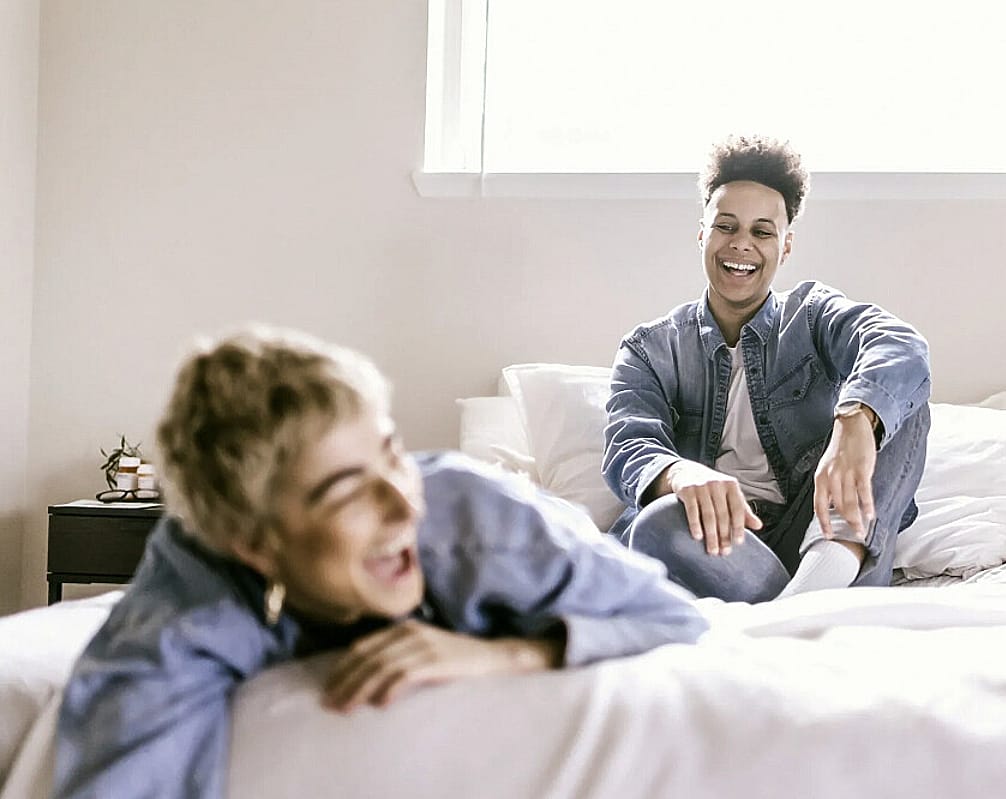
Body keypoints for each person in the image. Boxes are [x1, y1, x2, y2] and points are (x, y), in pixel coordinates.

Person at [54, 327, 706, 799]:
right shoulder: (188, 605)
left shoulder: (477, 521)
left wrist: (514, 652)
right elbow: (123, 753)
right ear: (253, 546)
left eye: (391, 452)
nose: (401, 503)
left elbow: (676, 617)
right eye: (344, 490)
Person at [603, 135, 931, 603]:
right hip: (720, 540)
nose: (741, 245)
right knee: (659, 521)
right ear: (702, 233)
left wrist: (855, 420)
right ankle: (803, 609)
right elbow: (628, 442)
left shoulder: (813, 315)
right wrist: (679, 474)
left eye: (761, 232)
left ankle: (819, 580)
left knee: (900, 398)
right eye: (726, 227)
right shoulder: (651, 347)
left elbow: (899, 343)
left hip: (817, 533)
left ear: (786, 244)